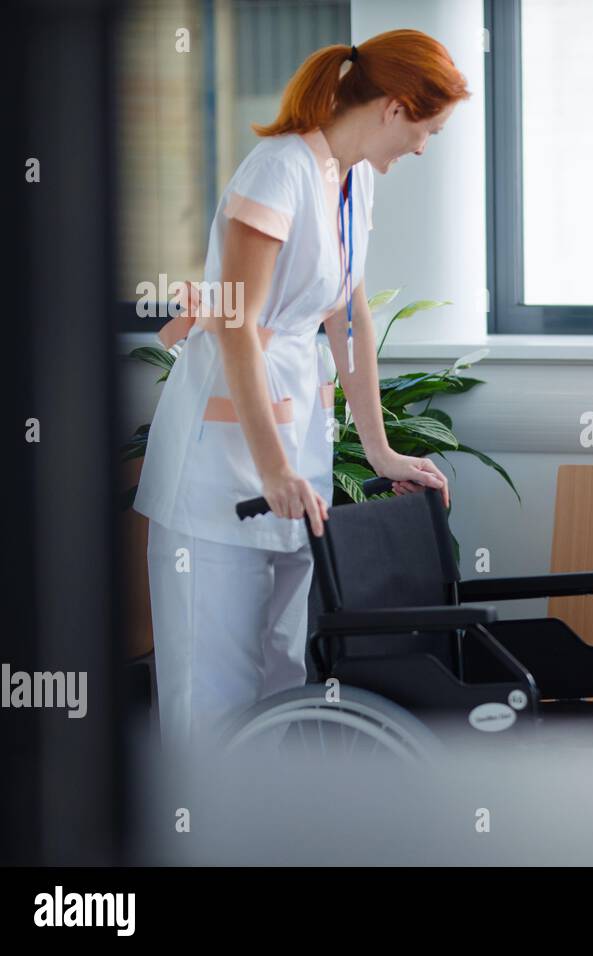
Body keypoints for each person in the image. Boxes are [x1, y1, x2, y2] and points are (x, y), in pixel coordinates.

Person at [133, 30, 468, 751]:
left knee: (284, 684)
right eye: (426, 131)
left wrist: (378, 449)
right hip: (219, 480)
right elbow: (234, 327)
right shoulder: (277, 171)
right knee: (212, 696)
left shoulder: (353, 179)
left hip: (297, 469)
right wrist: (274, 467)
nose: (422, 149)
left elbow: (348, 311)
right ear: (394, 108)